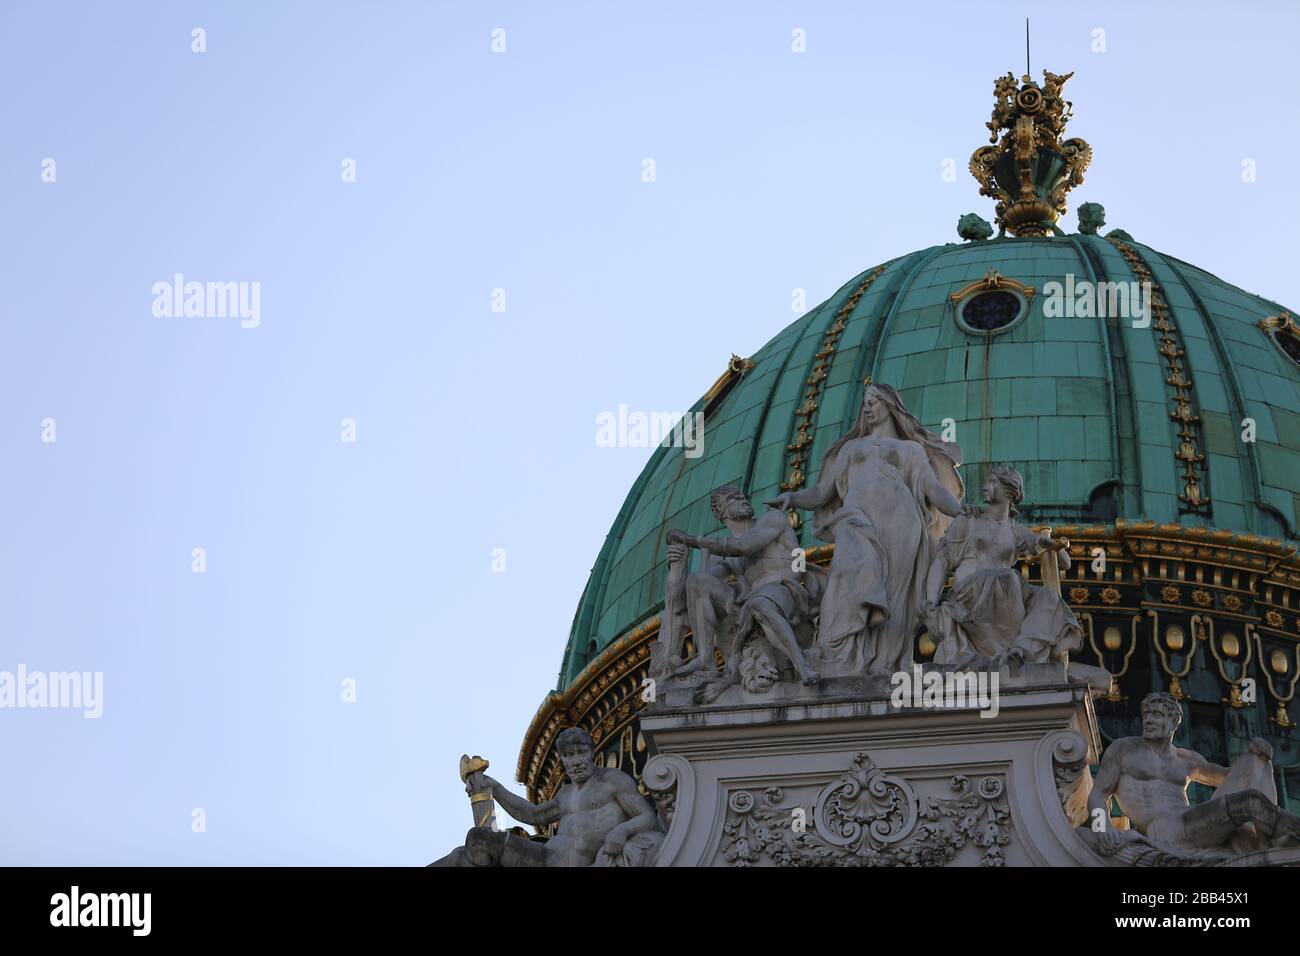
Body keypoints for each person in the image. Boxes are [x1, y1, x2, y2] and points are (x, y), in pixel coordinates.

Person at [768, 383, 964, 676]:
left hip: (901, 522)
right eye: (865, 403)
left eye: (874, 402)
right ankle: (842, 656)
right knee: (846, 580)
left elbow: (932, 489)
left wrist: (964, 514)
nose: (868, 408)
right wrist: (793, 497)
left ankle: (886, 664)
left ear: (890, 406)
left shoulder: (911, 449)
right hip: (856, 521)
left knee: (896, 594)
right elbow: (823, 492)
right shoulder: (851, 448)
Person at [918, 464, 1081, 669]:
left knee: (1049, 597)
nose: (985, 487)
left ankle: (1020, 650)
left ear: (1008, 490)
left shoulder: (1016, 531)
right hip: (968, 594)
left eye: (991, 482)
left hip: (1004, 592)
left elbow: (1064, 564)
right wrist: (931, 604)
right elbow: (942, 561)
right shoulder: (968, 520)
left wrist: (1052, 546)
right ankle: (1014, 653)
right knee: (1009, 578)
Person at [431, 728, 663, 867]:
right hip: (543, 858)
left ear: (592, 753)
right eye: (569, 756)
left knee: (479, 837)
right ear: (562, 759)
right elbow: (532, 815)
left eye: (581, 753)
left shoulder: (612, 780)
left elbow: (647, 817)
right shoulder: (566, 793)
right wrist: (495, 787)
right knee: (460, 855)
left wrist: (621, 831)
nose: (576, 761)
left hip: (571, 862)